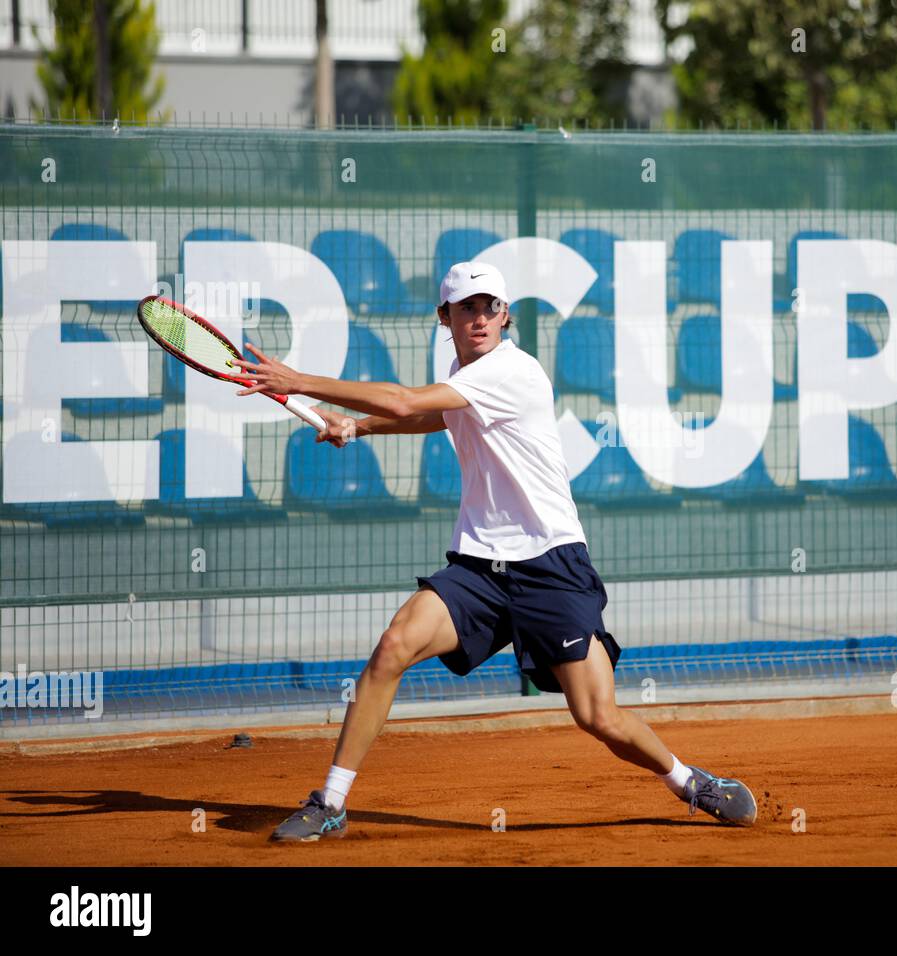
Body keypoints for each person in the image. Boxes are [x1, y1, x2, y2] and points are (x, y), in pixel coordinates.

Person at [233, 261, 758, 840]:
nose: (480, 318)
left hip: (551, 564)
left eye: (490, 308)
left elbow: (408, 402)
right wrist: (356, 428)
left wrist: (299, 380)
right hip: (481, 566)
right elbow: (437, 417)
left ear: (505, 316)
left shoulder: (514, 370)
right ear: (445, 317)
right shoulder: (461, 373)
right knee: (394, 646)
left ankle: (687, 781)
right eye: (467, 308)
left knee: (596, 716)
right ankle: (331, 802)